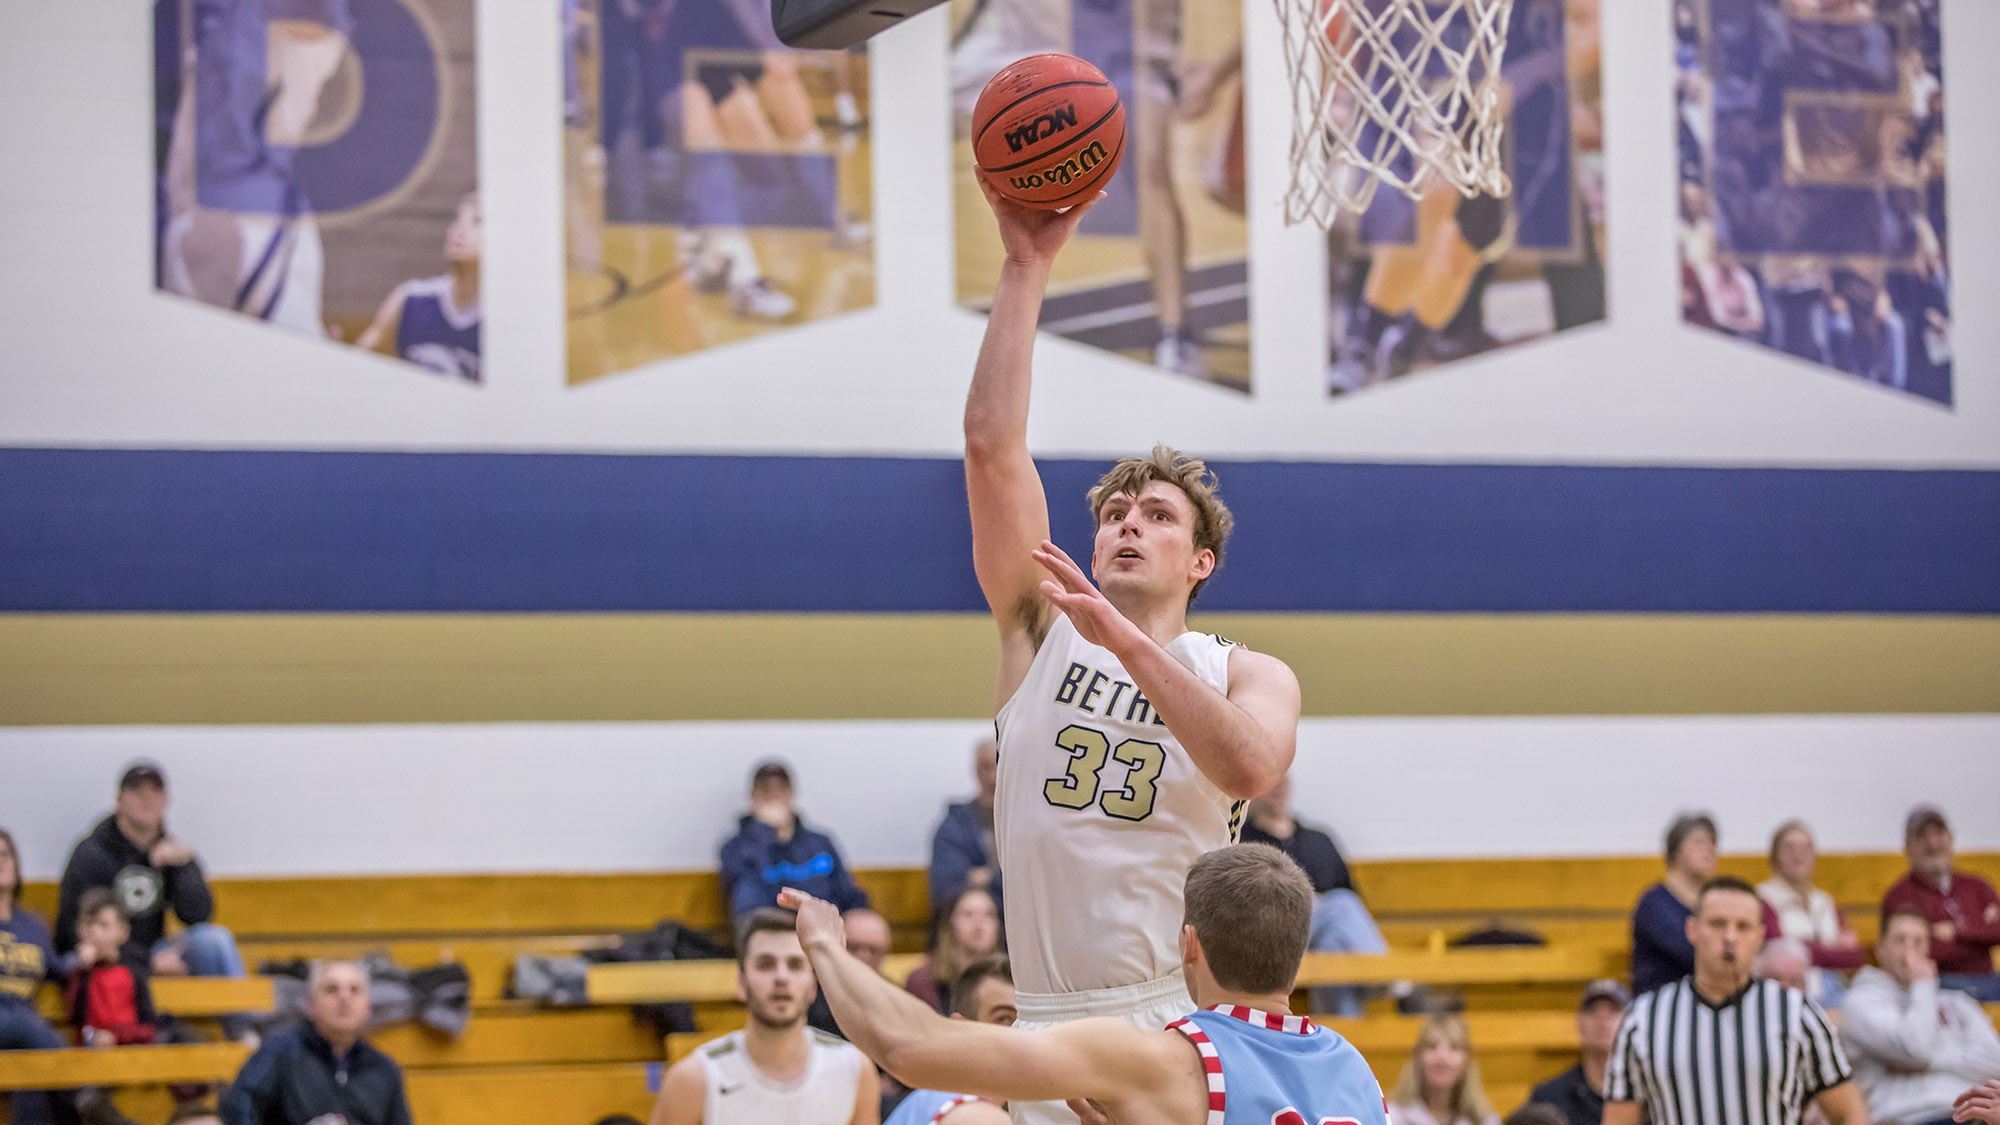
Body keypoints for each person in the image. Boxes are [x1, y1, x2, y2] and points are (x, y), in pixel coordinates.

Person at [963, 182, 1301, 1125]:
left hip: (1173, 1022)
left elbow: (1250, 766)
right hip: (1044, 1019)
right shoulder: (1040, 629)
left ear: (1200, 561)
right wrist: (1025, 265)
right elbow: (991, 446)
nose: (1127, 524)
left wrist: (1128, 644)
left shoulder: (1247, 671)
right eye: (1114, 513)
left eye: (1156, 515)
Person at [780, 844, 1389, 1125]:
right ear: (1297, 954)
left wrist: (825, 947)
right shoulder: (1358, 1072)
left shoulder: (1157, 1059)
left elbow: (908, 1048)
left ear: (1189, 945)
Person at [1604, 875, 1868, 1125]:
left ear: (1759, 937)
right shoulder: (1645, 1019)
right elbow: (1618, 1120)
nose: (1730, 937)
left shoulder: (1797, 1013)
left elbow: (1849, 1112)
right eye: (1717, 924)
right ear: (1692, 929)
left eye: (1743, 926)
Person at [649, 908, 878, 1125]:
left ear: (813, 987)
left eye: (795, 965)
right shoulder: (693, 1079)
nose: (781, 977)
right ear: (741, 983)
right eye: (766, 965)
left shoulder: (854, 1069)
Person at [55, 763, 245, 985]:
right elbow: (79, 930)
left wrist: (184, 866)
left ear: (166, 801)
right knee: (88, 953)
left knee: (213, 940)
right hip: (104, 953)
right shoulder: (93, 854)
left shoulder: (172, 851)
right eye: (136, 789)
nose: (147, 798)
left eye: (155, 790)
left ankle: (243, 1008)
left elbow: (198, 916)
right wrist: (146, 961)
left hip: (156, 949)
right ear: (119, 800)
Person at [1238, 773, 1385, 1015]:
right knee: (1341, 904)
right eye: (1270, 779)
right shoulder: (1243, 843)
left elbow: (1352, 896)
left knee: (1333, 946)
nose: (1277, 786)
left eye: (1282, 778)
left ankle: (1341, 1030)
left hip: (1319, 939)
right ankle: (1386, 974)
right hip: (1272, 935)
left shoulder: (1319, 840)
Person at [1840, 908, 2000, 1125]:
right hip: (1910, 1117)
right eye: (1900, 940)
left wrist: (1933, 1062)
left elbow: (1996, 1061)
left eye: (1918, 941)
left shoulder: (1956, 1002)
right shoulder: (1860, 1004)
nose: (1910, 950)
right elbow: (1916, 1049)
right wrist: (1922, 984)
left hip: (1970, 1113)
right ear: (1880, 949)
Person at [221, 961, 413, 1125]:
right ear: (311, 1005)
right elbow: (238, 1110)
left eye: (354, 990)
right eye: (331, 989)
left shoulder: (384, 1069)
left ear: (367, 1008)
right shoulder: (277, 1055)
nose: (344, 998)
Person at [720, 762, 870, 924]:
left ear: (791, 795)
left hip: (825, 924)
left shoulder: (820, 843)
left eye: (780, 789)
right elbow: (749, 903)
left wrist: (857, 916)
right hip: (772, 929)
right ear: (753, 797)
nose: (774, 796)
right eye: (766, 790)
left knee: (867, 925)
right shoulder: (737, 847)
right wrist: (765, 831)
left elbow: (848, 892)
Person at [356, 194, 483, 382]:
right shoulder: (411, 298)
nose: (460, 230)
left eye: (476, 222)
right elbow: (359, 361)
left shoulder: (500, 318)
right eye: (457, 220)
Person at [1881, 806, 2000, 1003]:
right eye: (1922, 836)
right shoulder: (1900, 896)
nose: (1933, 843)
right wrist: (1980, 931)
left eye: (1938, 834)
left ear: (1950, 838)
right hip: (1938, 983)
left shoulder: (1977, 886)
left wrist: (1957, 931)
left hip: (1988, 978)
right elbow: (1918, 952)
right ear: (1908, 846)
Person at [883, 956, 1018, 1125]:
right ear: (962, 1029)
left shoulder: (924, 1099)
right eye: (1004, 1019)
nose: (1022, 1033)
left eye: (1026, 1020)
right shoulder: (974, 1117)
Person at [0, 827, 68, 1125]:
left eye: (5, 855)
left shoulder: (33, 926)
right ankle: (86, 1098)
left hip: (26, 1029)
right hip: (17, 1021)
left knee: (36, 1057)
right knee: (35, 1031)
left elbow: (57, 970)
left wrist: (85, 957)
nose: (1, 862)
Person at [1759, 820, 1865, 1005]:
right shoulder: (1763, 899)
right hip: (1789, 994)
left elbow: (1854, 956)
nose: (1798, 855)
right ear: (1775, 855)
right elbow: (1782, 959)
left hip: (1835, 991)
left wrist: (1803, 946)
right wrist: (1833, 949)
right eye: (1789, 848)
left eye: (1805, 848)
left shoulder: (1824, 901)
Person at [1629, 812, 1720, 995]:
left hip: (1705, 1000)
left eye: (1712, 842)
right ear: (1676, 850)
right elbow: (1691, 953)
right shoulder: (1654, 902)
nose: (1709, 848)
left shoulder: (1714, 900)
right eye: (1699, 842)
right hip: (1660, 1002)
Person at [1522, 979, 1628, 1125]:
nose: (1602, 1017)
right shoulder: (1548, 1099)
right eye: (1592, 1010)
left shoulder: (1648, 1096)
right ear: (1579, 1022)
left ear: (1629, 1021)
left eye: (1613, 1009)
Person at [929, 741, 1002, 914]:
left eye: (999, 767)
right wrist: (1001, 879)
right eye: (986, 767)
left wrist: (985, 877)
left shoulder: (1028, 822)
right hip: (969, 917)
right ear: (976, 771)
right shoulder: (954, 825)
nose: (993, 777)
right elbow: (946, 885)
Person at [904, 888, 1002, 1015]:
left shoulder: (1011, 978)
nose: (979, 924)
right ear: (951, 923)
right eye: (968, 914)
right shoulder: (922, 981)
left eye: (989, 914)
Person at [1387, 1015, 1501, 1125]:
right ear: (1418, 1058)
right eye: (1432, 1046)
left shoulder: (1485, 1120)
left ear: (1467, 1062)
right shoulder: (1392, 1116)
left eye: (1454, 1047)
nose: (1442, 1056)